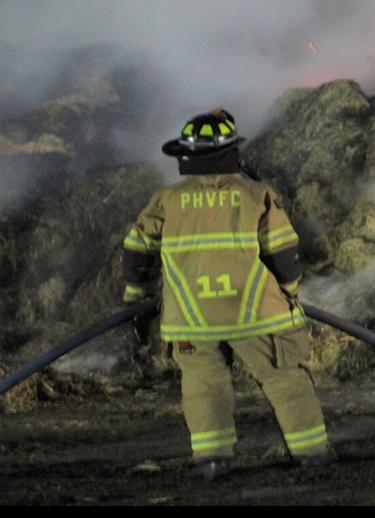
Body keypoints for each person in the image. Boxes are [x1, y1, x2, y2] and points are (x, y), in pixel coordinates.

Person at [122, 108, 333, 478]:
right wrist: (289, 293)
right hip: (256, 315)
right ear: (232, 153)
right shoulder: (257, 194)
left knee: (204, 389)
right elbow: (283, 252)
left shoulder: (166, 200)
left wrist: (136, 298)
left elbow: (137, 251)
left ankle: (213, 460)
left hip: (191, 319)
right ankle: (312, 453)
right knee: (286, 379)